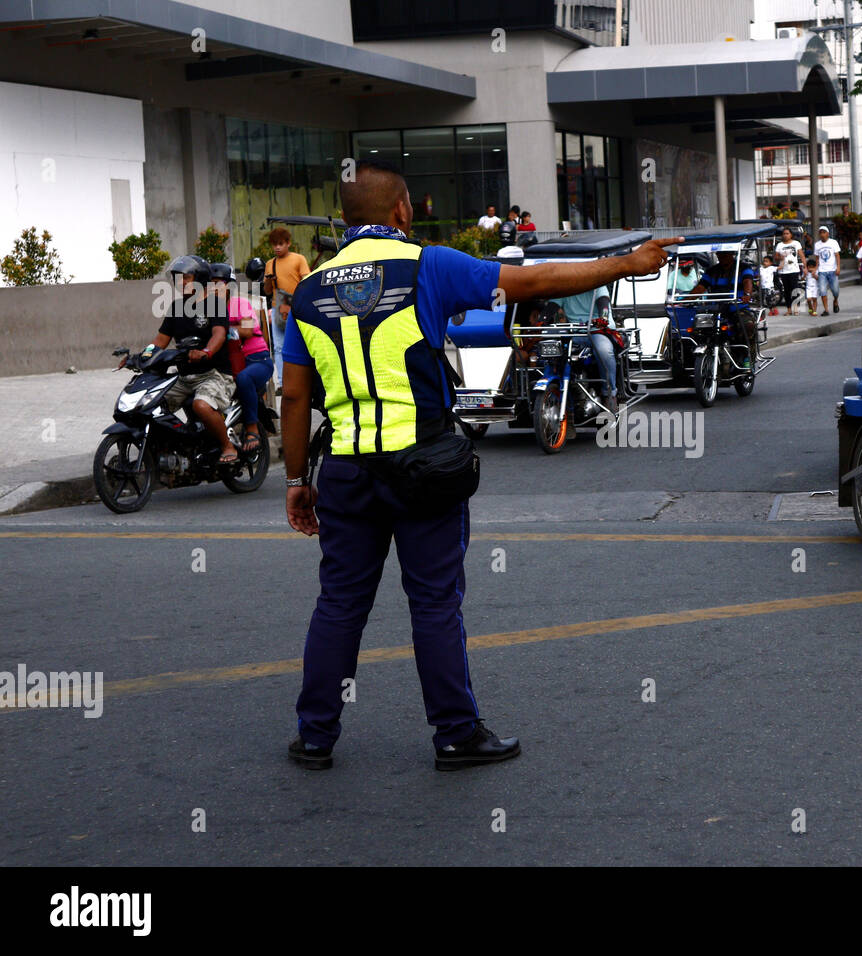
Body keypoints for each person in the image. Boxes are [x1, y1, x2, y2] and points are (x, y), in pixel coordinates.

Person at [279, 158, 680, 770]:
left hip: (346, 470)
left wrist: (293, 481)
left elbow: (295, 396)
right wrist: (626, 263)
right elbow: (536, 281)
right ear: (402, 210)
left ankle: (315, 737)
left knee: (339, 603)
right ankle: (455, 736)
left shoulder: (307, 291)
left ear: (343, 217)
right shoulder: (430, 265)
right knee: (434, 602)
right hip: (423, 469)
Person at [138, 256, 240, 464]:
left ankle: (227, 446)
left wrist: (206, 352)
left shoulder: (214, 304)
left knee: (201, 406)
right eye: (178, 279)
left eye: (186, 278)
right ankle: (181, 444)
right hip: (184, 376)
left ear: (200, 279)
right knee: (150, 405)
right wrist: (141, 356)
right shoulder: (176, 308)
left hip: (214, 374)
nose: (181, 283)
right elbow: (159, 341)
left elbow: (219, 334)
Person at [212, 262, 274, 455]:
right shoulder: (210, 309)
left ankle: (252, 428)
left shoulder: (240, 304)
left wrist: (223, 332)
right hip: (232, 362)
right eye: (210, 284)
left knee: (244, 379)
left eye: (218, 284)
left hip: (258, 360)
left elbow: (247, 329)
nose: (213, 288)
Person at [263, 228, 311, 390]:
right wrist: (270, 281)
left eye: (280, 244)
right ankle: (283, 383)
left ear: (288, 243)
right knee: (278, 347)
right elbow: (267, 291)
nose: (277, 248)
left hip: (297, 306)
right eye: (274, 245)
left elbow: (306, 281)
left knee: (303, 344)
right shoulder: (270, 264)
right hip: (279, 308)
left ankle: (303, 380)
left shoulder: (298, 259)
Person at [774, 226, 804, 315]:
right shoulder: (779, 245)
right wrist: (780, 257)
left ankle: (795, 309)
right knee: (786, 291)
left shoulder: (796, 243)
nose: (785, 235)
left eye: (787, 233)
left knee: (794, 290)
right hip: (783, 271)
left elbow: (801, 255)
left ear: (791, 235)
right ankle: (789, 309)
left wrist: (805, 267)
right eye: (784, 234)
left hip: (794, 270)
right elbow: (775, 257)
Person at [814, 225, 841, 314]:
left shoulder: (833, 243)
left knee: (835, 291)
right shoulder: (817, 245)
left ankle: (835, 301)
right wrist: (816, 269)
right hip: (822, 271)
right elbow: (817, 258)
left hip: (832, 270)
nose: (822, 234)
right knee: (822, 291)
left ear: (828, 234)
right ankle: (826, 310)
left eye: (824, 232)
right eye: (820, 233)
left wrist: (838, 267)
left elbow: (837, 256)